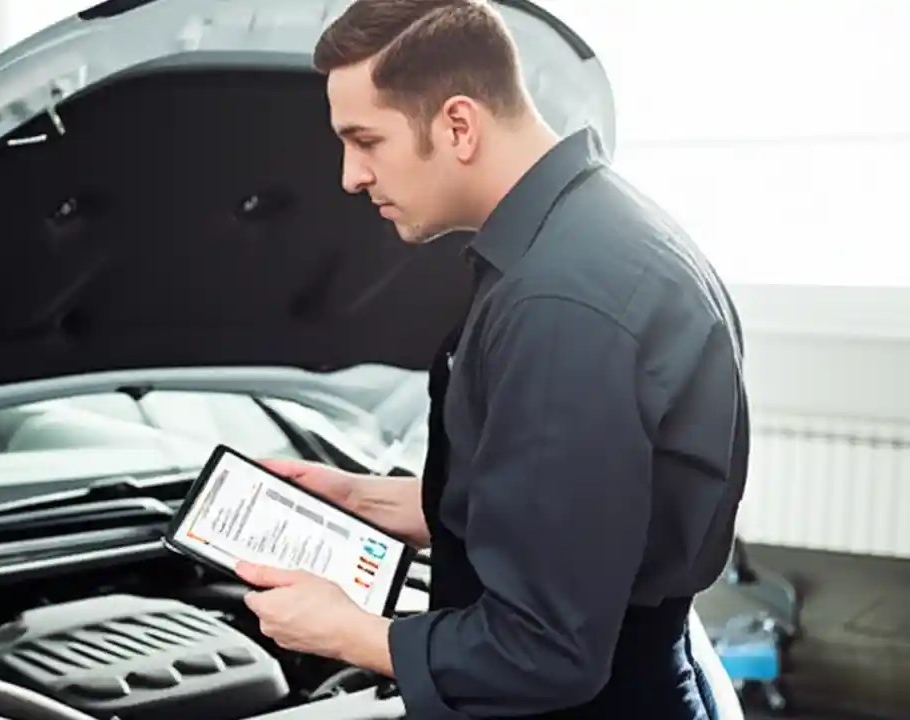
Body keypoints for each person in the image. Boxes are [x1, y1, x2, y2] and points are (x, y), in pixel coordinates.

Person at [231, 1, 749, 718]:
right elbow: (592, 510)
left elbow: (547, 648)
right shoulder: (598, 234)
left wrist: (351, 633)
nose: (350, 176)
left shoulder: (562, 305)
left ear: (458, 126)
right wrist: (372, 502)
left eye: (366, 140)